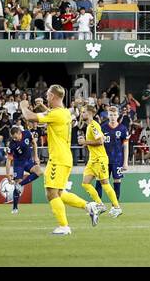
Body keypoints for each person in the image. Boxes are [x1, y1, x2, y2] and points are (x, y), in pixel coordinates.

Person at [20, 85, 101, 235]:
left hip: (58, 158)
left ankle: (64, 226)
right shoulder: (64, 113)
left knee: (51, 192)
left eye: (47, 95)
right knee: (59, 193)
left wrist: (23, 105)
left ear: (52, 96)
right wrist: (41, 106)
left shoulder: (58, 114)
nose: (46, 97)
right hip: (64, 157)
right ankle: (89, 206)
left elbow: (29, 117)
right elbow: (49, 115)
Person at [78, 104, 122, 220]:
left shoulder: (93, 125)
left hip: (100, 159)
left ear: (90, 113)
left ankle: (117, 207)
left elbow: (101, 141)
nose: (82, 115)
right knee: (85, 183)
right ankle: (100, 204)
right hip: (93, 160)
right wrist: (86, 143)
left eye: (84, 112)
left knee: (105, 183)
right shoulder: (88, 127)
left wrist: (86, 142)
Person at [95, 105, 129, 204]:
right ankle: (98, 204)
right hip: (104, 159)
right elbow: (98, 144)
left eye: (114, 115)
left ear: (118, 115)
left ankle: (115, 205)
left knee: (117, 181)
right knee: (100, 180)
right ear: (108, 115)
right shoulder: (103, 127)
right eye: (111, 115)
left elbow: (126, 146)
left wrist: (125, 162)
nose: (113, 117)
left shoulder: (123, 128)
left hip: (117, 160)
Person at [6, 125, 41, 214]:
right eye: (13, 137)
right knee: (17, 182)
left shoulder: (27, 134)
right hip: (18, 164)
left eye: (15, 137)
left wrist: (36, 156)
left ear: (19, 133)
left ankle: (21, 185)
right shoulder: (12, 144)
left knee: (39, 171)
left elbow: (34, 143)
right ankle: (15, 208)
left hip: (28, 161)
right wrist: (7, 174)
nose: (14, 139)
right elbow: (9, 160)